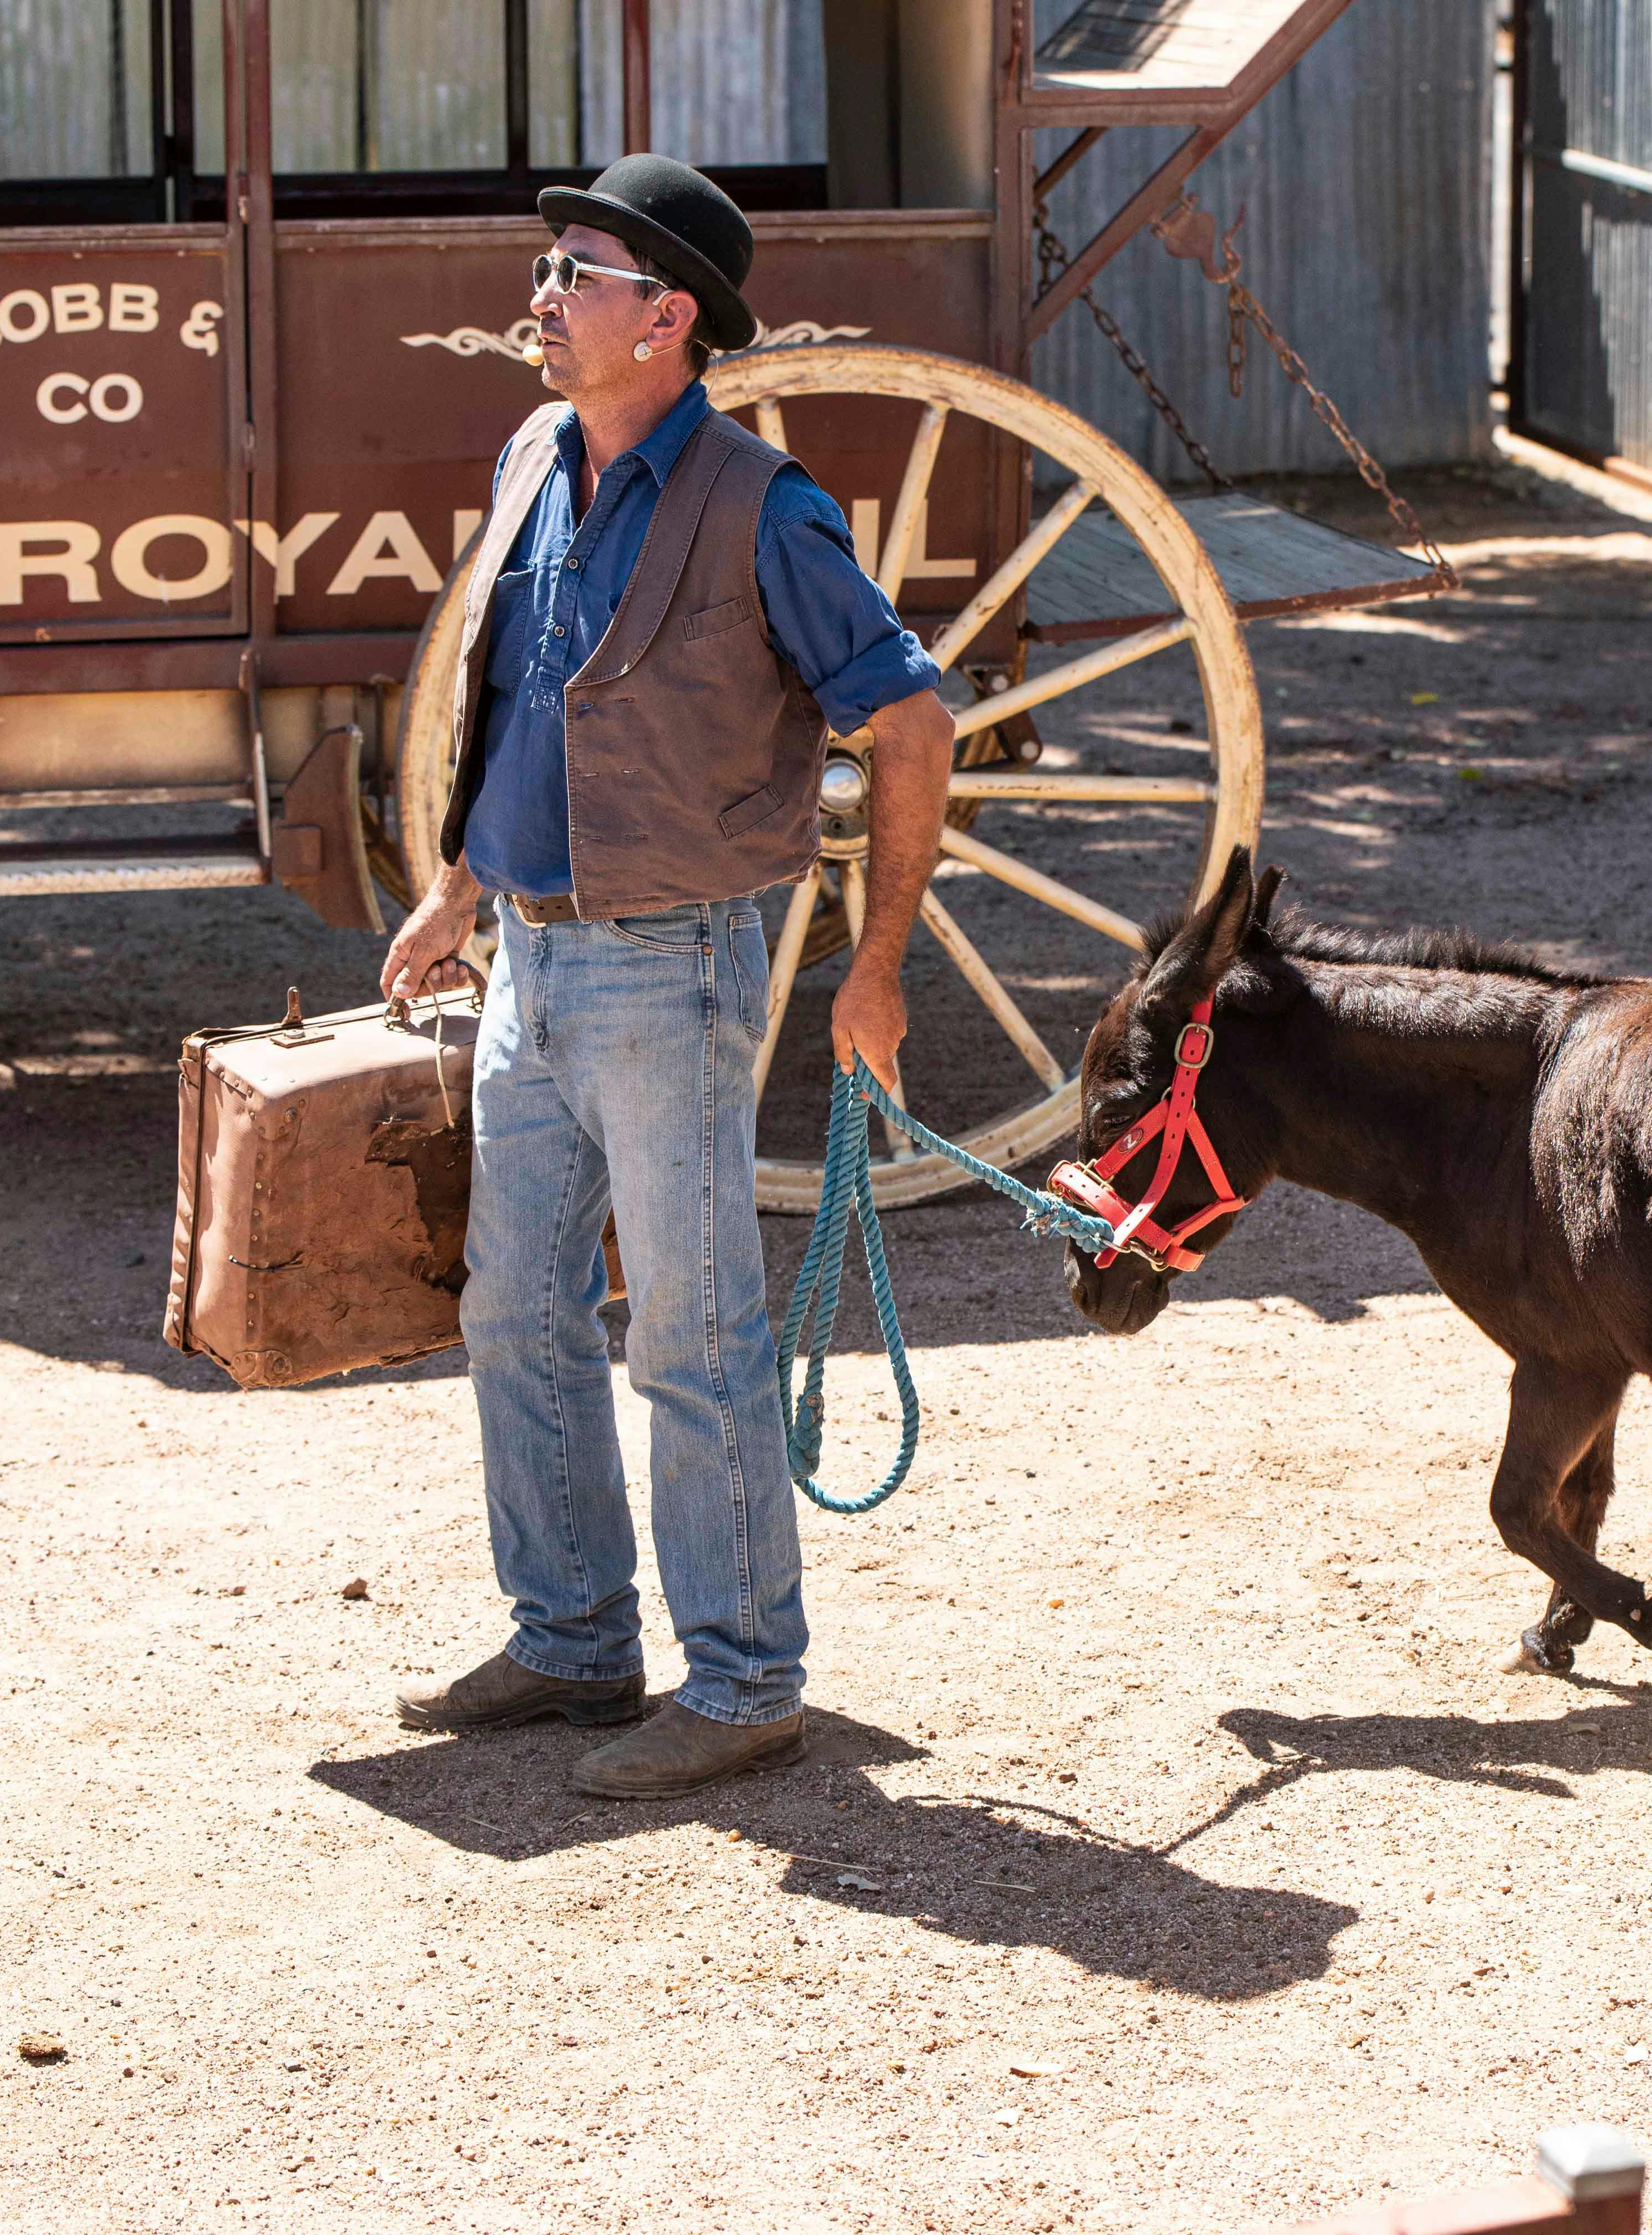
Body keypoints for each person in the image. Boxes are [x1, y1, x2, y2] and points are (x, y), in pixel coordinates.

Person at [378, 155, 956, 1799]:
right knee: (514, 1307)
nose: (542, 301)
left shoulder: (765, 508)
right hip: (532, 963)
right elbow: (524, 698)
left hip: (674, 968)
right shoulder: (533, 458)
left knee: (691, 1337)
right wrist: (457, 886)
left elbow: (913, 723)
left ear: (668, 319)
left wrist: (880, 969)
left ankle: (745, 1678)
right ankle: (571, 1640)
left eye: (577, 275)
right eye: (548, 269)